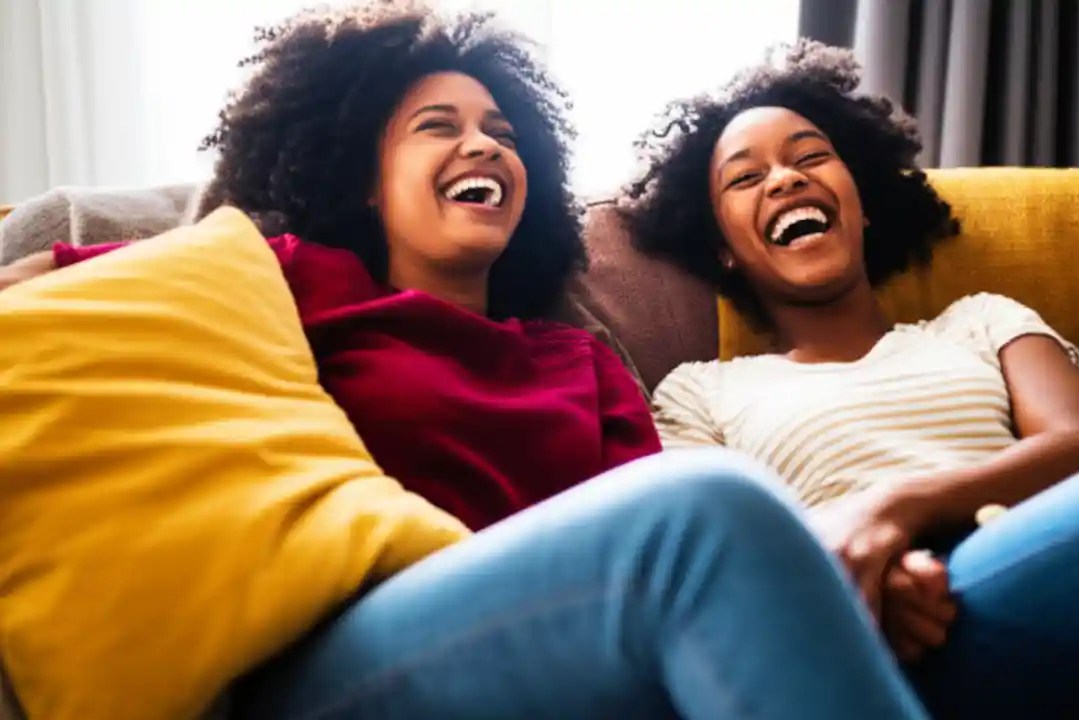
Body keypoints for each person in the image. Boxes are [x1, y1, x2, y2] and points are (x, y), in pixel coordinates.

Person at [0, 6, 931, 719]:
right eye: (436, 126)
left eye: (502, 133)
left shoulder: (580, 360)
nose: (482, 142)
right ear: (363, 180)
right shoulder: (288, 278)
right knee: (711, 507)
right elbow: (46, 291)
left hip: (560, 661)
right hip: (337, 657)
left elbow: (646, 545)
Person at [624, 38, 1079, 719]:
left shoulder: (982, 321)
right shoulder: (699, 392)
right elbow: (715, 559)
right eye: (744, 178)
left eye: (811, 156)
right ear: (723, 249)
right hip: (898, 634)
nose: (786, 179)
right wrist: (862, 570)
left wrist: (892, 509)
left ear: (864, 202)